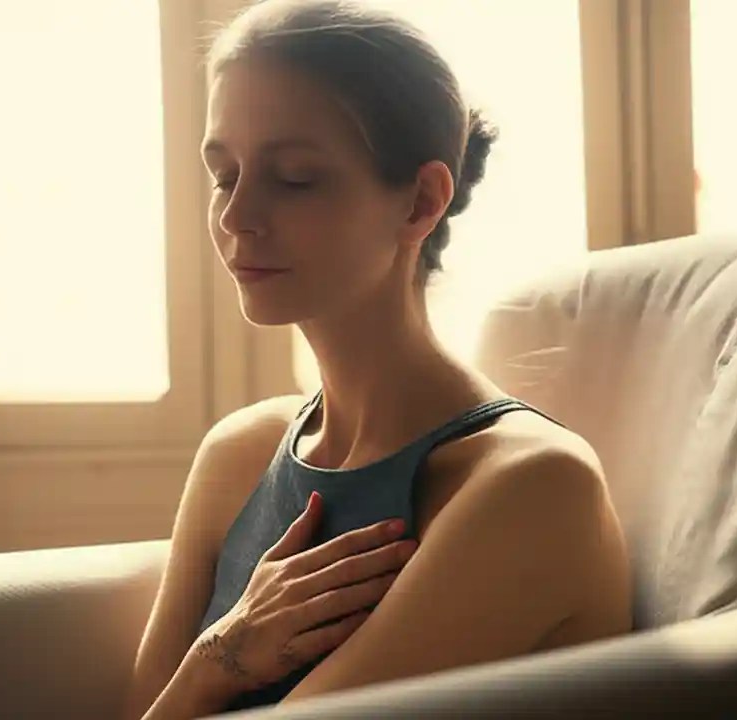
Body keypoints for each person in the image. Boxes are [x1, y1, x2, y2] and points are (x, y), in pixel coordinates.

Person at [122, 1, 632, 717]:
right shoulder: (237, 456)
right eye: (223, 174)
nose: (237, 215)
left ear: (420, 201)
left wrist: (220, 664)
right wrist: (223, 654)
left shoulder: (533, 488)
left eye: (295, 177)